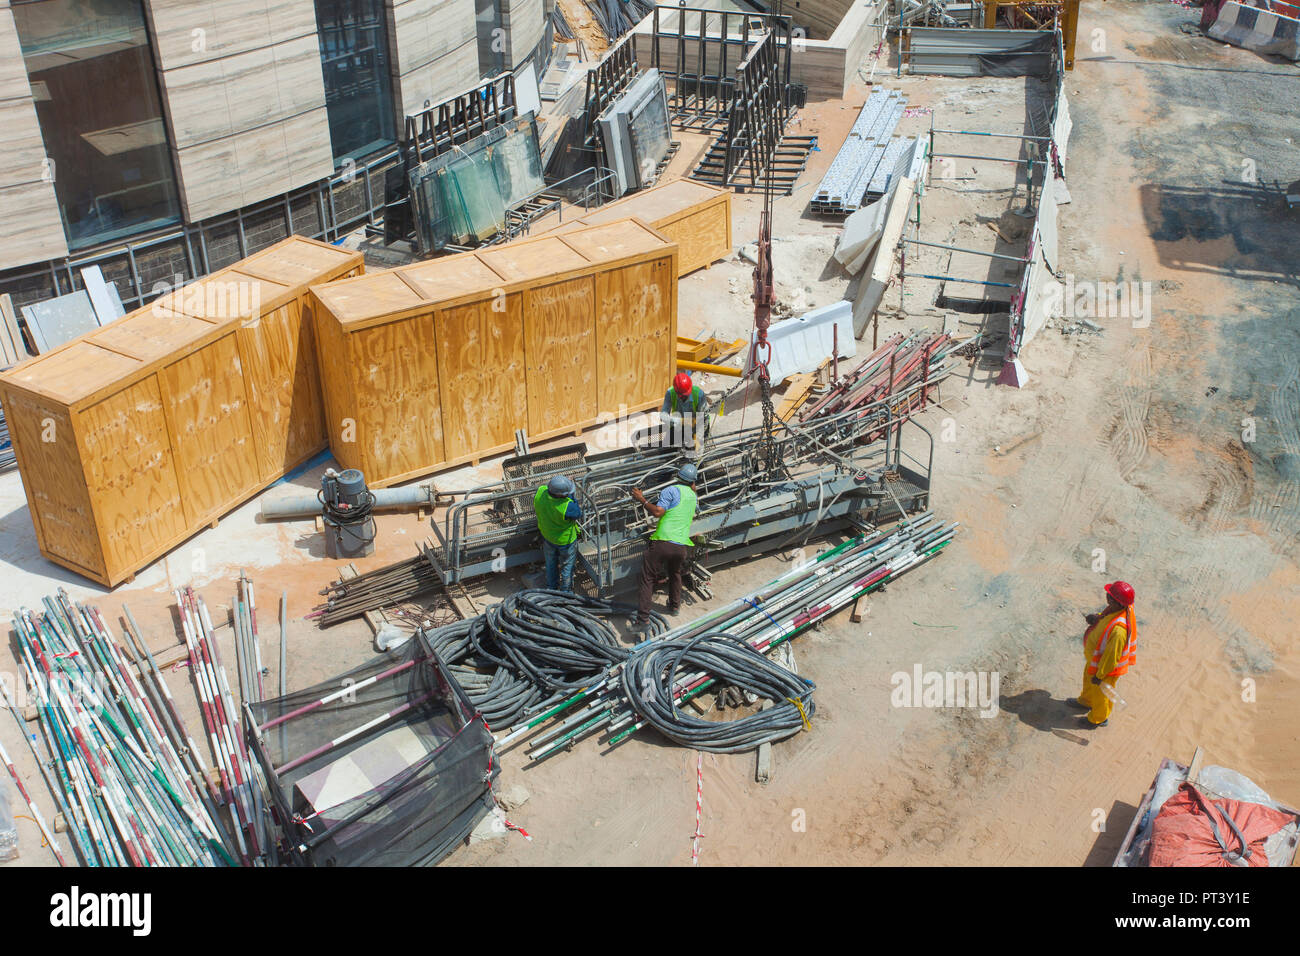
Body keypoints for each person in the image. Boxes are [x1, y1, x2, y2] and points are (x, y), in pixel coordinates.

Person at [630, 463, 699, 631]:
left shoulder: (671, 490)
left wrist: (642, 500)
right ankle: (675, 606)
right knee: (675, 573)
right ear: (693, 482)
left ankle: (643, 621)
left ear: (678, 477)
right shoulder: (693, 495)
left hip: (663, 542)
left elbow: (658, 512)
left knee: (647, 579)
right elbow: (695, 511)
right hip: (681, 546)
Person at [1071, 580, 1137, 728]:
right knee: (1088, 682)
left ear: (1117, 602)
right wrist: (1097, 618)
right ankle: (1086, 701)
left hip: (1105, 670)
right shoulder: (1115, 609)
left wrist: (1100, 675)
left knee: (1101, 696)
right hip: (1096, 662)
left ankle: (1098, 718)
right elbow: (1107, 620)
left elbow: (1111, 657)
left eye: (1110, 595)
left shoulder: (1119, 631)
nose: (1107, 596)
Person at [533, 475, 581, 592]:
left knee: (550, 564)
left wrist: (565, 484)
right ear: (561, 495)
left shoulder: (541, 492)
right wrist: (571, 495)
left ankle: (552, 588)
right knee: (567, 567)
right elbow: (578, 512)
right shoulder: (566, 506)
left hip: (548, 536)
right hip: (565, 541)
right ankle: (565, 593)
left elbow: (544, 487)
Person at [660, 373, 711, 454]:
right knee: (666, 450)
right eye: (682, 396)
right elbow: (663, 415)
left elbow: (703, 420)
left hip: (698, 425)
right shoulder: (670, 393)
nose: (685, 397)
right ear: (677, 393)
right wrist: (679, 421)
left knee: (696, 452)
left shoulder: (699, 395)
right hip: (679, 424)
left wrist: (697, 440)